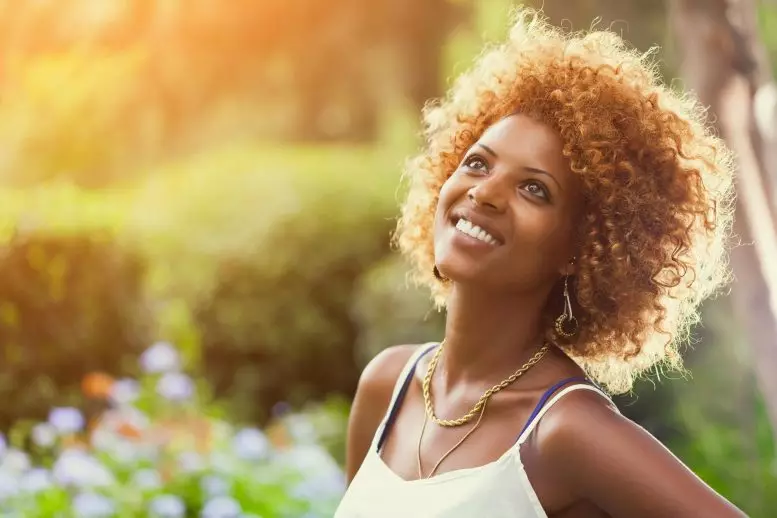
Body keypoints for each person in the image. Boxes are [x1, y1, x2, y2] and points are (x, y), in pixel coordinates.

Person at [335, 8, 746, 518]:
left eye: (534, 189)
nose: (484, 193)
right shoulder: (388, 385)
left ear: (583, 245)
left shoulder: (567, 431)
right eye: (478, 163)